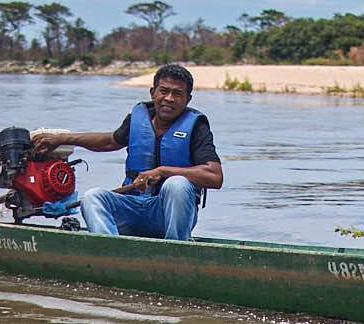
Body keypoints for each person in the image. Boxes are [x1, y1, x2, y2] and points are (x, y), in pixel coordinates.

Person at [29, 63, 223, 239]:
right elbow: (108, 142)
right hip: (133, 208)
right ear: (152, 92)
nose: (169, 99)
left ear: (187, 99)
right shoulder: (138, 119)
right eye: (164, 91)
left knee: (177, 184)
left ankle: (175, 251)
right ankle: (109, 250)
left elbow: (214, 177)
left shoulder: (197, 127)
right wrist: (62, 139)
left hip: (166, 215)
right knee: (92, 197)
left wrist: (163, 171)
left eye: (177, 94)